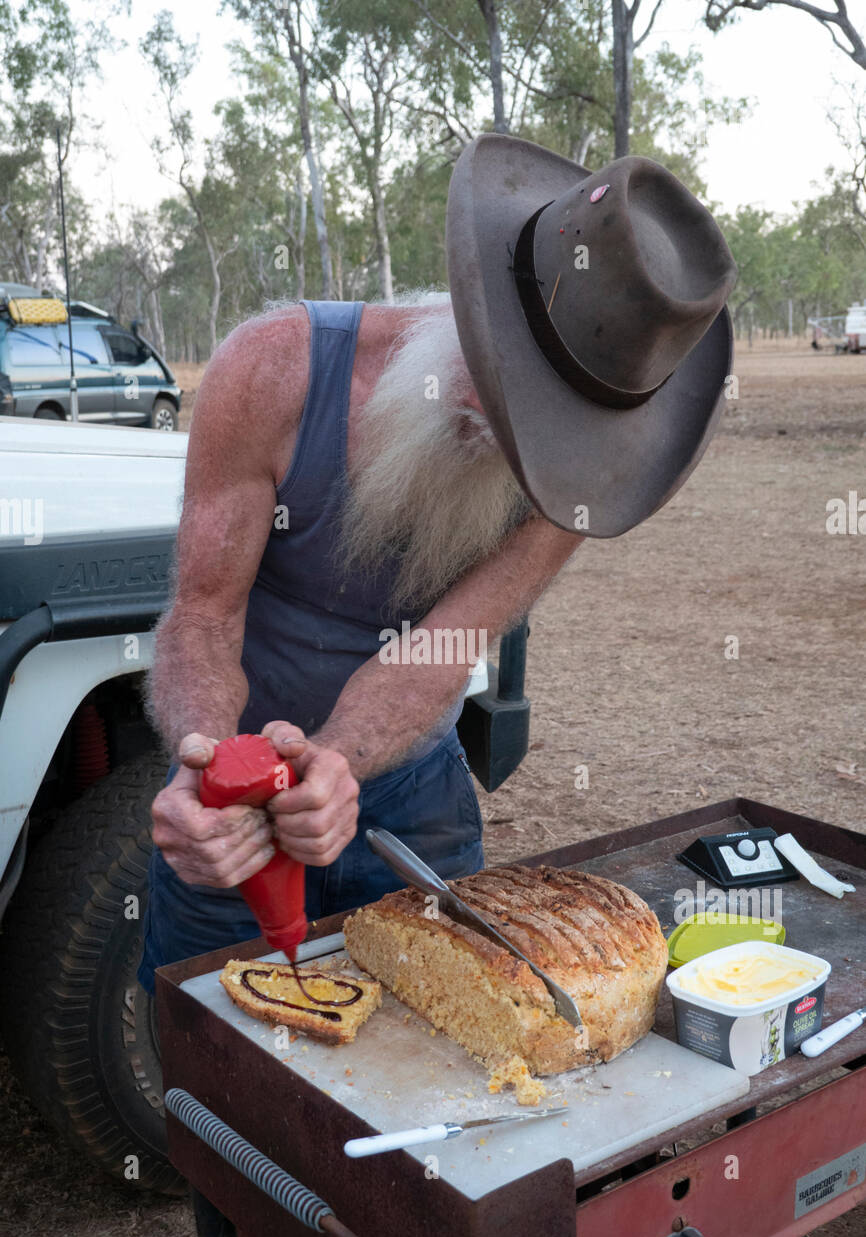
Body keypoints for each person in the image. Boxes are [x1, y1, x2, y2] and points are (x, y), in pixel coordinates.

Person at [138, 135, 736, 992]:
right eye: (501, 386)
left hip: (415, 790)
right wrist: (207, 761)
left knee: (437, 1047)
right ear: (474, 299)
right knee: (212, 1053)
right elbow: (203, 615)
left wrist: (336, 760)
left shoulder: (575, 478)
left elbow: (443, 645)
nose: (510, 438)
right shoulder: (274, 369)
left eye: (549, 425)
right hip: (233, 792)